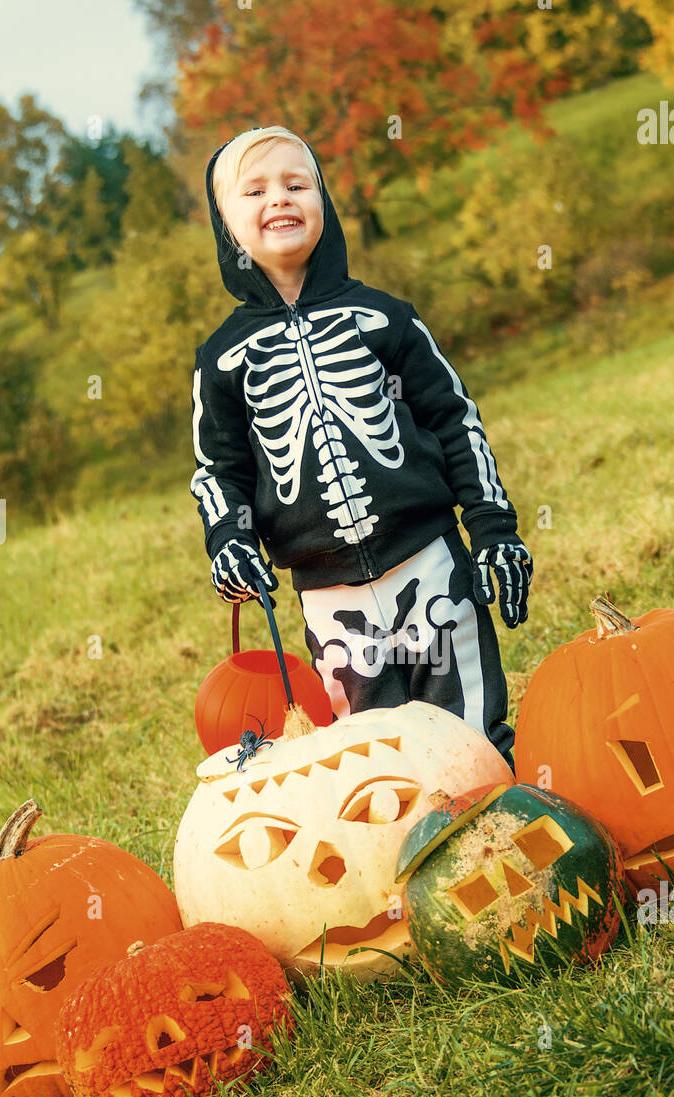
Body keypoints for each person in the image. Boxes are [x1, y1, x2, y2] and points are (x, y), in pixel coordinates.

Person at [190, 124, 531, 765]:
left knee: (476, 740)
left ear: (325, 201)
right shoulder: (223, 360)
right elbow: (219, 470)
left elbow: (455, 419)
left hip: (430, 564)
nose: (280, 200)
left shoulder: (384, 317)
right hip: (330, 599)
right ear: (225, 225)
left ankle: (516, 847)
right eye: (254, 190)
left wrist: (494, 529)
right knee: (380, 761)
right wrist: (228, 540)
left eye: (298, 183)